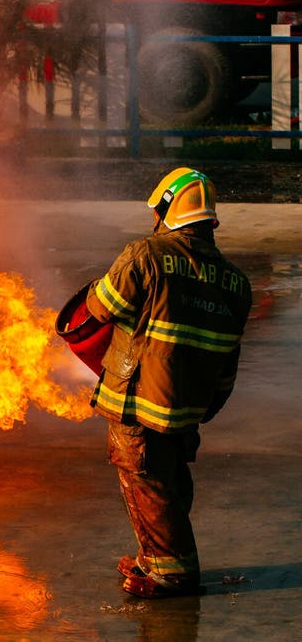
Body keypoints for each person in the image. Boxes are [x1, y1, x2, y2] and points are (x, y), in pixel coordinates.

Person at [85, 168, 251, 598]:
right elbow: (228, 356)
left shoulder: (146, 255)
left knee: (145, 481)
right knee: (170, 480)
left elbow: (101, 307)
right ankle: (153, 556)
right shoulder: (235, 282)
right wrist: (209, 404)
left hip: (139, 400)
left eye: (158, 211)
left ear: (167, 210)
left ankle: (172, 574)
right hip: (188, 406)